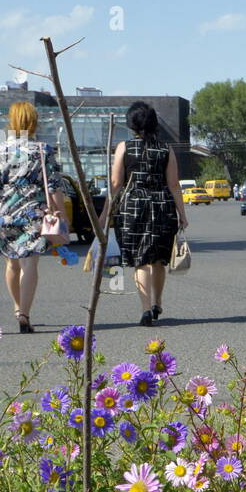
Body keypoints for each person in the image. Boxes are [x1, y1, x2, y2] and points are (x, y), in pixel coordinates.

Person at [0, 101, 63, 333]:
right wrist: (60, 213)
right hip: (34, 212)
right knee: (30, 262)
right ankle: (25, 313)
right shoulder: (44, 150)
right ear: (34, 122)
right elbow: (53, 186)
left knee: (11, 262)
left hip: (4, 214)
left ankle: (17, 307)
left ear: (11, 122)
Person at [105, 101, 188, 326]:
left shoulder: (124, 147)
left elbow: (115, 183)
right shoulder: (165, 148)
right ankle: (156, 302)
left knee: (141, 260)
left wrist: (105, 213)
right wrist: (182, 213)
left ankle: (144, 310)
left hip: (133, 207)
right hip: (162, 207)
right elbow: (174, 185)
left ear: (132, 124)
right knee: (159, 259)